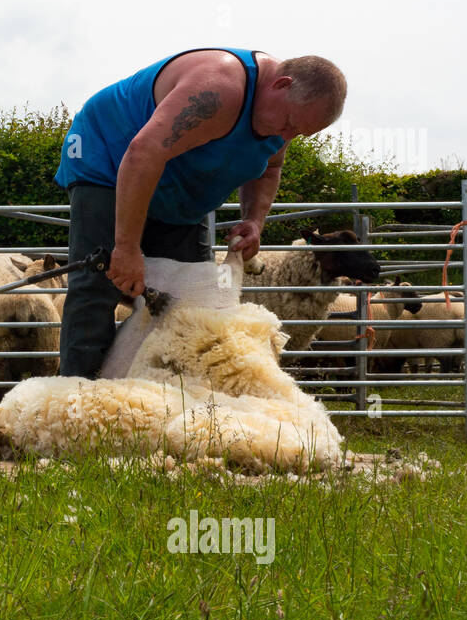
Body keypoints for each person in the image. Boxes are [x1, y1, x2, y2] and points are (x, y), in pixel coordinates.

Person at [55, 47, 346, 378]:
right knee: (99, 283)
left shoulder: (280, 120)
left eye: (298, 133)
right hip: (109, 160)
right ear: (281, 84)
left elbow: (268, 169)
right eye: (290, 123)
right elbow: (142, 154)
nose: (287, 136)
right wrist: (126, 247)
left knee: (193, 302)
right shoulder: (218, 89)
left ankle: (169, 406)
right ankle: (74, 405)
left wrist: (254, 220)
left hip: (179, 190)